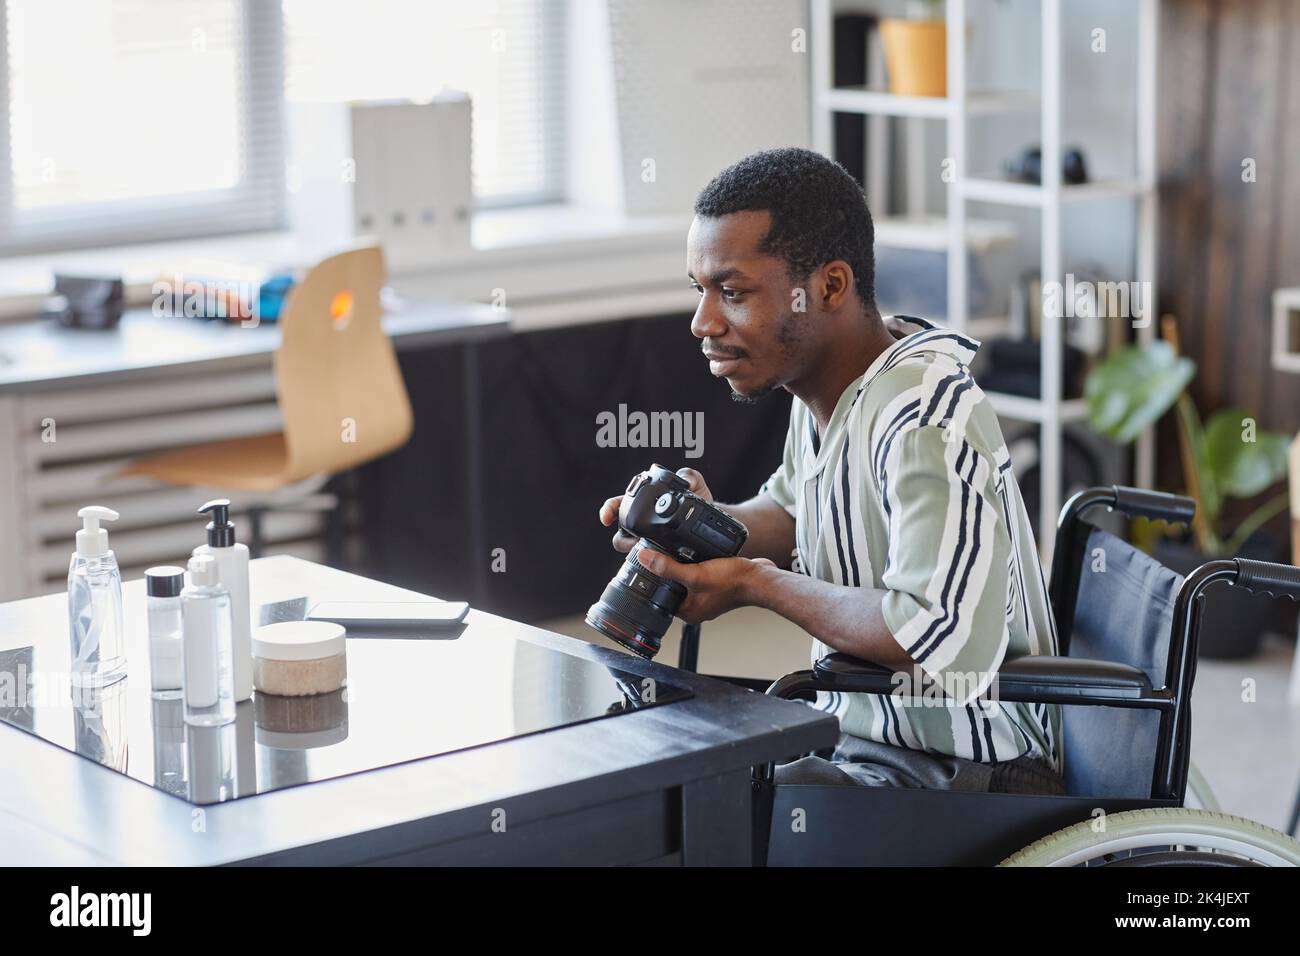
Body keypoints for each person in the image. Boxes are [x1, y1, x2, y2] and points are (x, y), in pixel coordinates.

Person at [599, 147, 1064, 794]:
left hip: (962, 768)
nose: (703, 323)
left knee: (707, 812)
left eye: (732, 293)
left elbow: (928, 634)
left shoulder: (925, 417)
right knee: (670, 770)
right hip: (860, 728)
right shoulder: (824, 389)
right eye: (700, 291)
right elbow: (791, 514)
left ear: (830, 287)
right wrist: (704, 525)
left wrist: (756, 584)